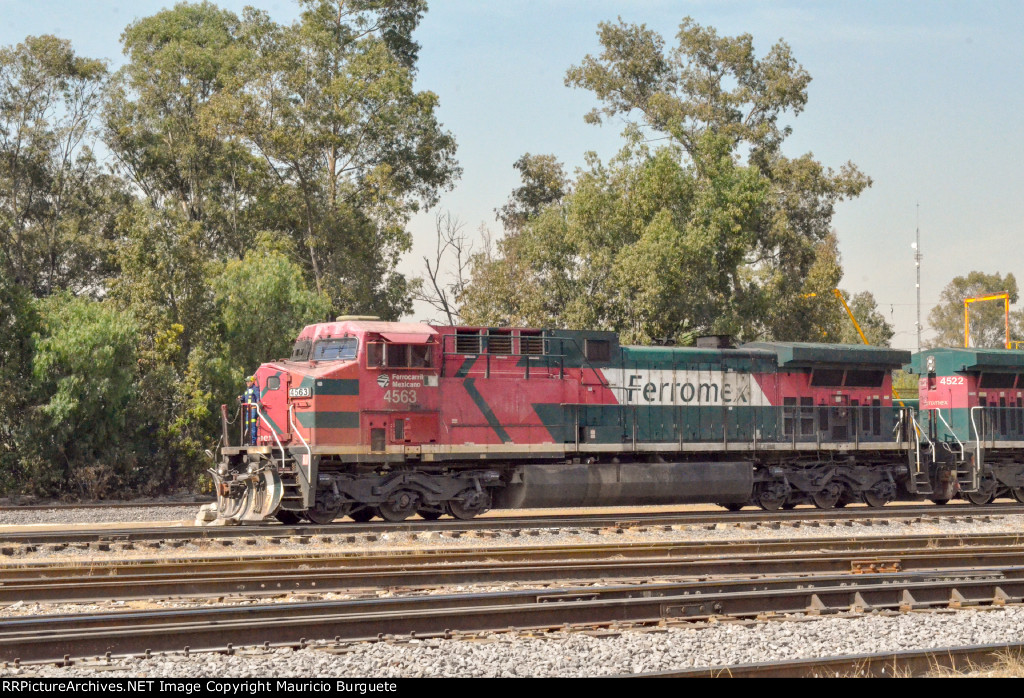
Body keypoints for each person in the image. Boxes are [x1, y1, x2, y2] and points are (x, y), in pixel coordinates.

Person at [242, 375, 260, 445]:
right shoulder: (247, 390)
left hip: (253, 409)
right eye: (246, 382)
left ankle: (253, 441)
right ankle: (249, 440)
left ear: (252, 382)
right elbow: (244, 397)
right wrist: (240, 398)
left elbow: (258, 397)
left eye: (248, 381)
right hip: (248, 410)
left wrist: (258, 402)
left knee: (252, 425)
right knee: (247, 425)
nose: (247, 383)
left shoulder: (255, 389)